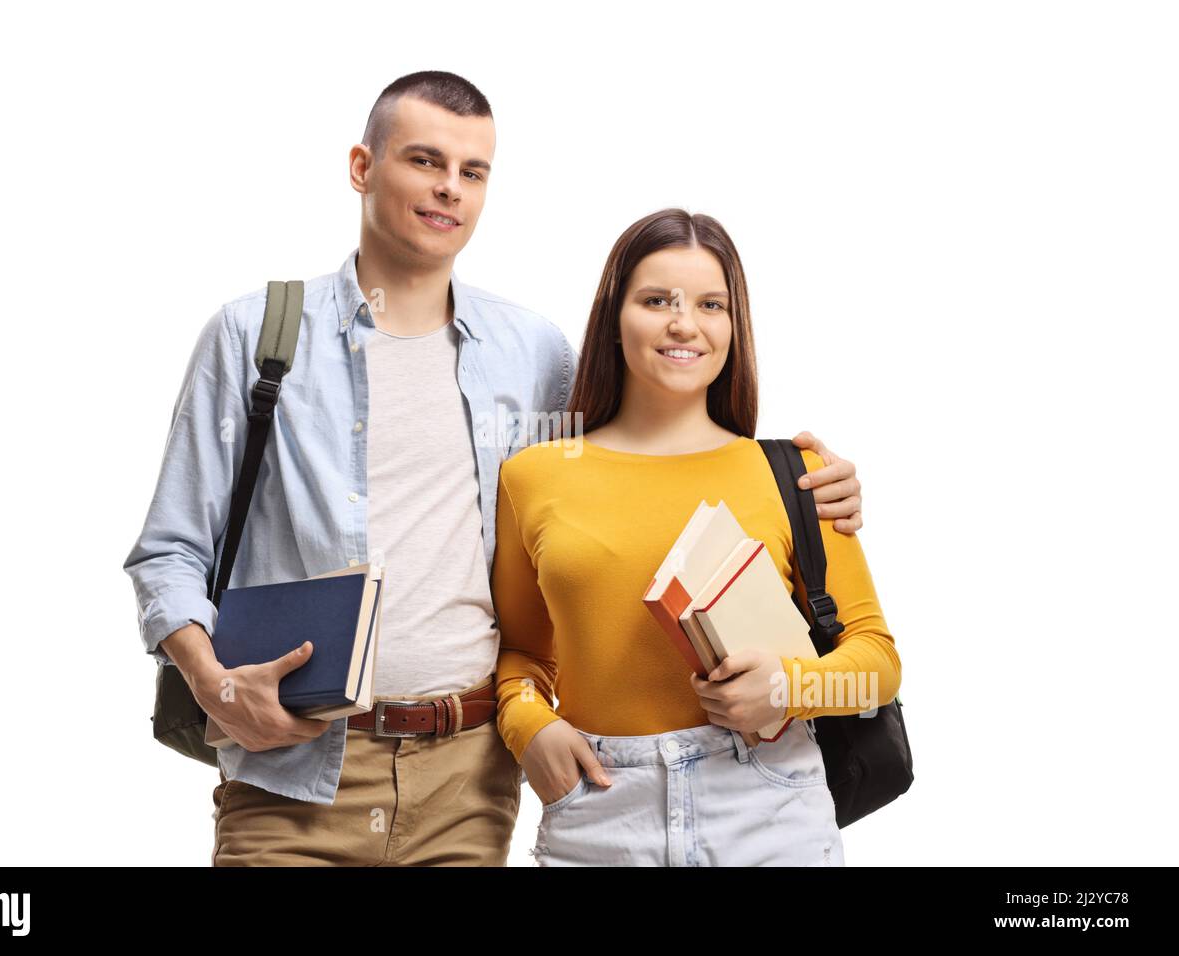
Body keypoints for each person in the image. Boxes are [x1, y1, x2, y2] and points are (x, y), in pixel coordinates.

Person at [123, 73, 867, 867]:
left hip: (469, 776)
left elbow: (643, 452)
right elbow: (169, 552)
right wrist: (216, 684)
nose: (449, 188)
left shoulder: (534, 354)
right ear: (361, 166)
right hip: (292, 769)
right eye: (424, 160)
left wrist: (799, 481)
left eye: (473, 172)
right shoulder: (256, 337)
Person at [491, 208, 901, 866]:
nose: (685, 324)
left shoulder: (797, 474)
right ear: (614, 317)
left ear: (733, 326)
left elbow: (878, 667)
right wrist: (527, 726)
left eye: (712, 304)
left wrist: (788, 688)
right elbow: (521, 653)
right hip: (599, 807)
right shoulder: (535, 475)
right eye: (657, 301)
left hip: (764, 802)